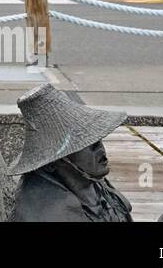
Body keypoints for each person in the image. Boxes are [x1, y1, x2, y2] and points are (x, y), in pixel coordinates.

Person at [8, 84, 133, 222]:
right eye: (89, 144)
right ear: (55, 161)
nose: (100, 149)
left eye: (99, 140)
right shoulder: (48, 209)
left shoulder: (93, 181)